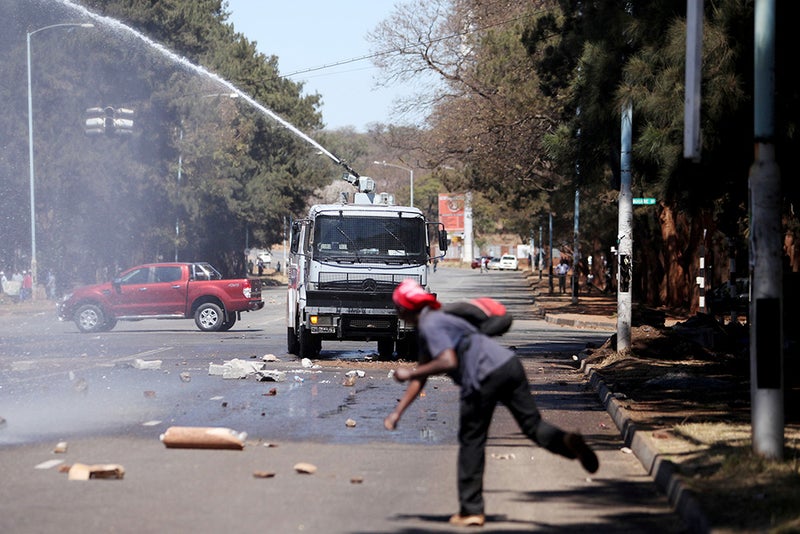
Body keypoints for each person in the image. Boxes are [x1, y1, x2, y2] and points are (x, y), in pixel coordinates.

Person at [384, 279, 598, 527]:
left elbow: (447, 361)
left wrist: (407, 374)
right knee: (532, 426)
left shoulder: (431, 324)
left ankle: (471, 510)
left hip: (483, 377)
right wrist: (397, 413)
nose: (397, 313)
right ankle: (569, 443)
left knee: (471, 441)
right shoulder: (439, 320)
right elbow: (423, 373)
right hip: (508, 365)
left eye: (397, 308)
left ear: (407, 309)